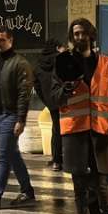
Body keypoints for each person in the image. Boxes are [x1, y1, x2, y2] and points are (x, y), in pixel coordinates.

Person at [55, 17, 108, 214]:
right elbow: (52, 96)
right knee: (79, 185)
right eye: (75, 34)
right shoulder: (63, 63)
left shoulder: (107, 64)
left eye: (83, 33)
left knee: (101, 183)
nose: (79, 37)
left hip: (100, 130)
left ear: (90, 35)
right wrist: (65, 90)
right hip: (75, 131)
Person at [0, 26, 36, 211]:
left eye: (2, 40)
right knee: (12, 154)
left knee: (3, 155)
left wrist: (21, 118)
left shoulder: (20, 63)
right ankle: (27, 191)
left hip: (11, 115)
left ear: (10, 40)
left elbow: (24, 93)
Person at [35, 39, 65, 171]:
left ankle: (56, 160)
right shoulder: (60, 60)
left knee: (56, 129)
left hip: (51, 102)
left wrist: (47, 101)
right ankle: (63, 159)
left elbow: (36, 86)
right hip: (64, 99)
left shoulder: (38, 64)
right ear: (58, 47)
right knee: (68, 130)